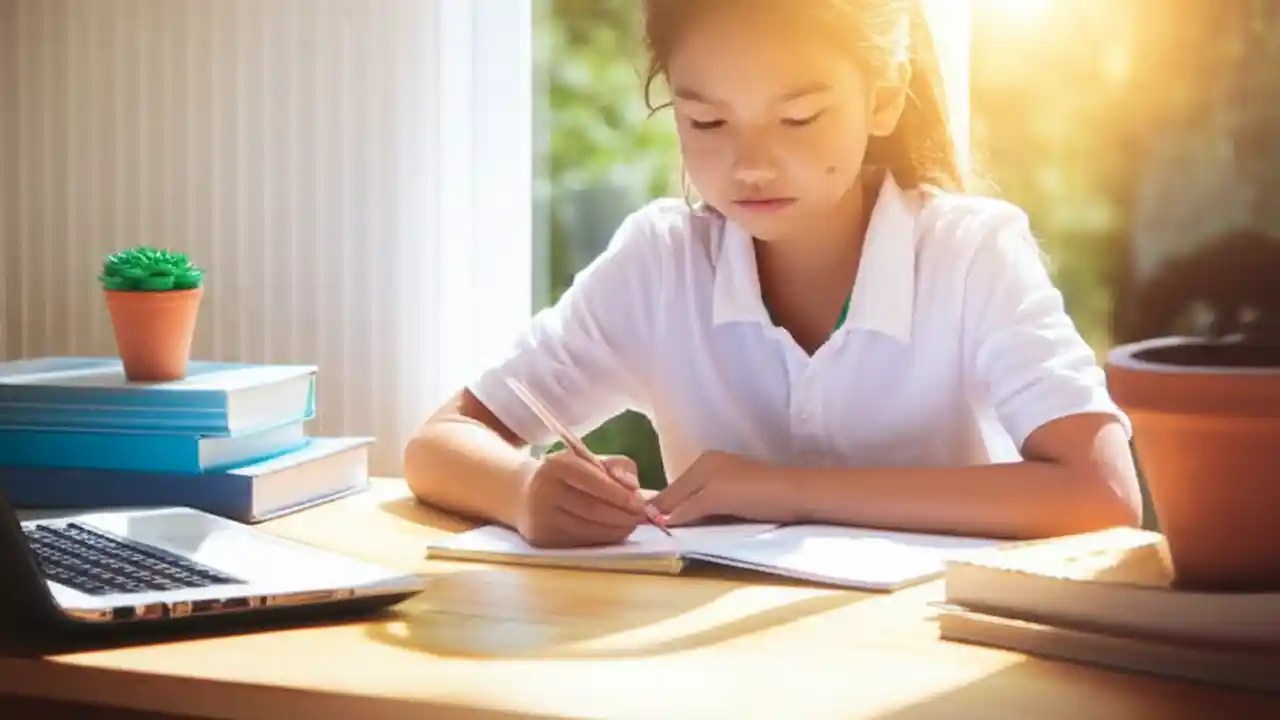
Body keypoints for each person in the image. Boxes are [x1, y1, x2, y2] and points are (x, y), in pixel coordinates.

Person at [404, 0, 1142, 548]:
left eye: (798, 119)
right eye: (708, 123)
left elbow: (1103, 491)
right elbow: (439, 443)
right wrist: (525, 490)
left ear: (883, 98)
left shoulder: (969, 253)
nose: (751, 164)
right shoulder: (660, 263)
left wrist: (783, 489)